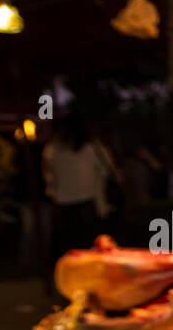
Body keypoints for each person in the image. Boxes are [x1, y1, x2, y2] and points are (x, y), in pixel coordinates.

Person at [43, 114, 119, 287]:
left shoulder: (54, 148)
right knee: (89, 252)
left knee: (70, 252)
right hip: (85, 205)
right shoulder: (91, 147)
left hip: (65, 206)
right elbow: (107, 171)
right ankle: (89, 286)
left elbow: (49, 178)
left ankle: (71, 286)